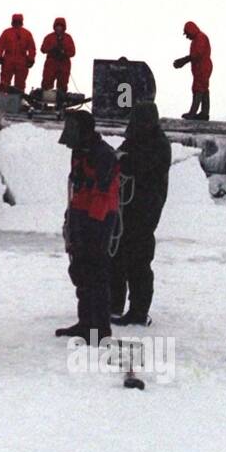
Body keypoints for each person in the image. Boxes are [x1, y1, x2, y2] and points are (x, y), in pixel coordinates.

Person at [55, 111, 120, 344]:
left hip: (99, 219)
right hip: (81, 215)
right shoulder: (80, 150)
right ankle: (86, 323)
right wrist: (71, 218)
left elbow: (104, 192)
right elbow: (77, 186)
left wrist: (92, 223)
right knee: (81, 269)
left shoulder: (103, 155)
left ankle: (100, 329)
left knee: (97, 272)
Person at [110, 102, 171, 326]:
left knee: (138, 260)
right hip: (128, 208)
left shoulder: (158, 144)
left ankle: (138, 311)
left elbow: (134, 163)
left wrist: (120, 159)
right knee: (117, 256)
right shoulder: (140, 138)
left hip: (145, 210)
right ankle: (114, 304)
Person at [173, 21, 212, 121]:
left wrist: (184, 60)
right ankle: (204, 113)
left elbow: (197, 54)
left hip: (202, 68)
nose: (187, 36)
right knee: (203, 89)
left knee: (198, 88)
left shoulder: (200, 38)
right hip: (201, 67)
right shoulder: (198, 38)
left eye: (187, 34)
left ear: (191, 30)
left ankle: (193, 112)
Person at [39, 17, 76, 111]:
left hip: (64, 64)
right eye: (57, 26)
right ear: (54, 27)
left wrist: (63, 52)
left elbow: (72, 52)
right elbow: (43, 49)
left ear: (64, 27)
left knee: (62, 84)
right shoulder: (49, 37)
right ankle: (45, 103)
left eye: (60, 26)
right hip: (51, 63)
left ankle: (60, 104)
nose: (59, 28)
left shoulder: (68, 38)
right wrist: (52, 49)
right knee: (47, 82)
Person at [0, 13, 36, 94]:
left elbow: (32, 48)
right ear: (13, 22)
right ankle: (2, 102)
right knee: (4, 82)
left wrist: (31, 59)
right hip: (8, 59)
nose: (17, 23)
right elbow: (0, 45)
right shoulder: (7, 32)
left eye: (18, 21)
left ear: (21, 22)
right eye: (15, 21)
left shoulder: (27, 33)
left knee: (20, 83)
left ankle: (18, 102)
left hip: (21, 60)